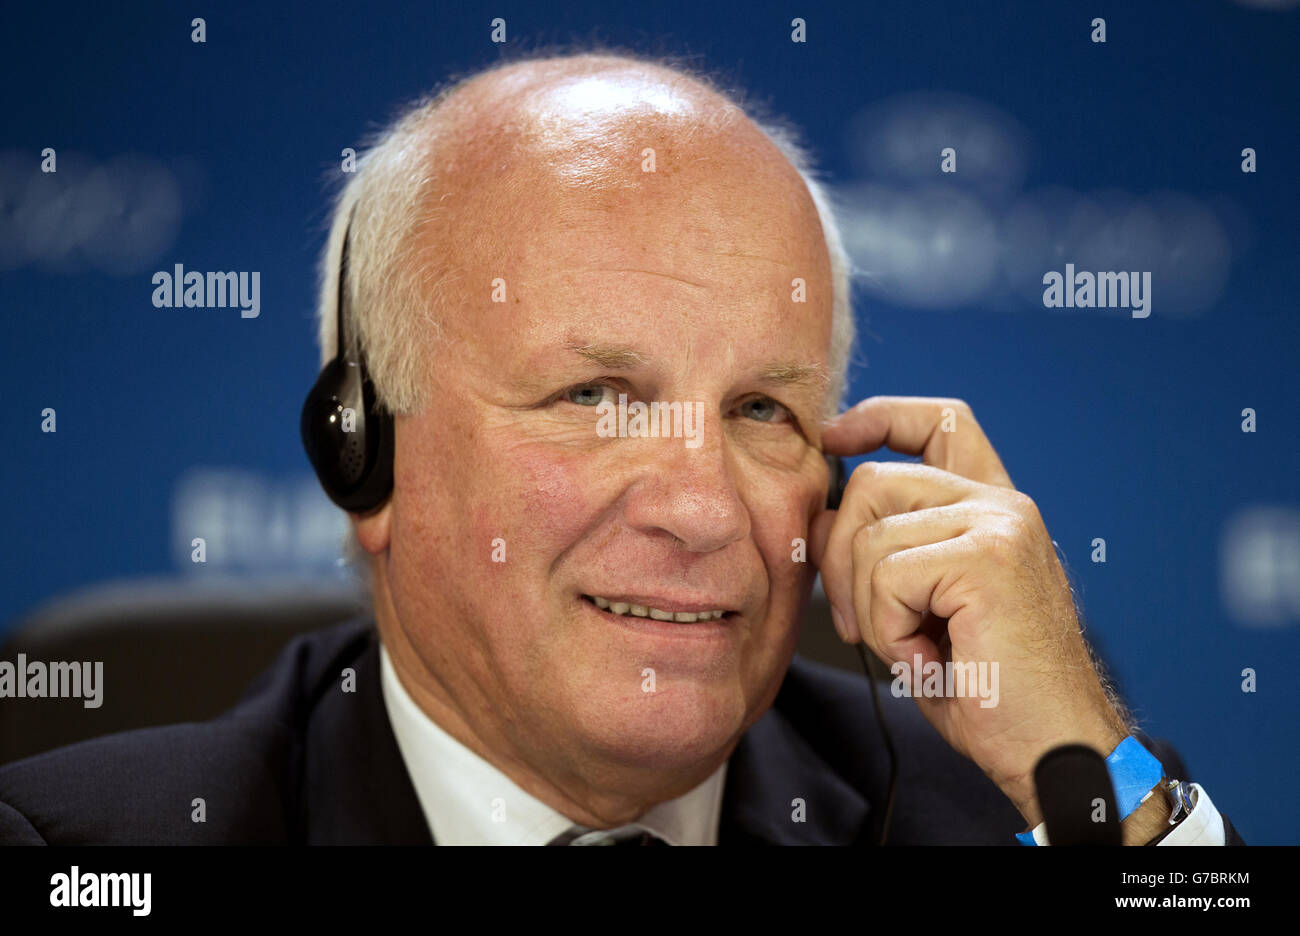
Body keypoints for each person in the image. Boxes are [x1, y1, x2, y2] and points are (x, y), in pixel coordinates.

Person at [0, 52, 1240, 845]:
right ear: (360, 452)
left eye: (763, 411)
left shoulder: (1019, 812)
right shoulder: (86, 857)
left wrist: (1096, 796)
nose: (702, 510)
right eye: (597, 395)